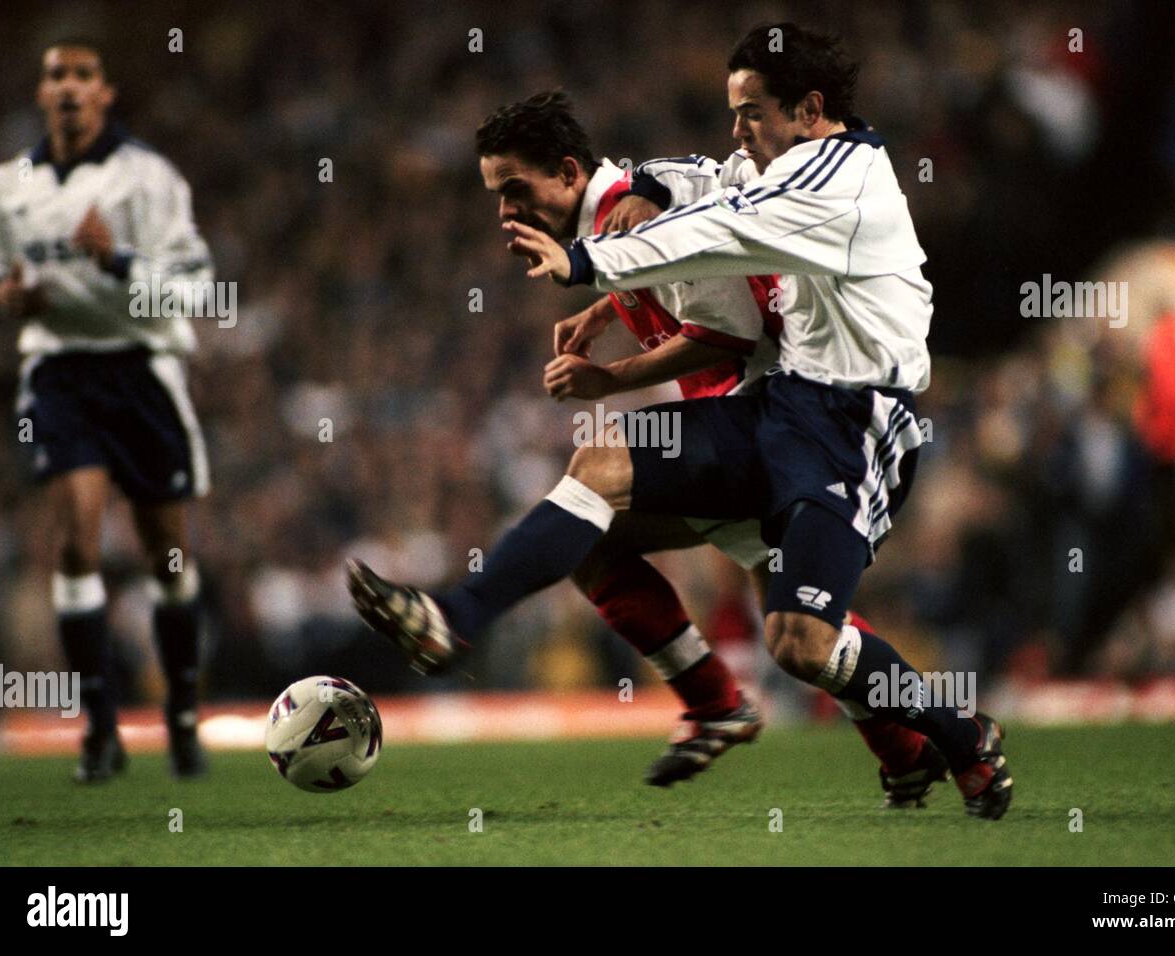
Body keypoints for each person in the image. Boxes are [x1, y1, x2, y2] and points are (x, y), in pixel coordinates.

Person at [351, 24, 1009, 818]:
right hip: (775, 410)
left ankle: (953, 735)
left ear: (809, 108)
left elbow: (724, 235)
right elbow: (706, 177)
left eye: (751, 112)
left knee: (801, 639)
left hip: (854, 425)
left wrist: (590, 270)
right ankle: (456, 618)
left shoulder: (841, 179)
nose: (737, 131)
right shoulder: (781, 161)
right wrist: (647, 197)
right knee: (599, 490)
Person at [0, 40, 214, 782]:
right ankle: (101, 731)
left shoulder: (149, 180)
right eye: (56, 76)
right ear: (43, 93)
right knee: (76, 541)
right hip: (59, 373)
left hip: (140, 369)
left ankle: (180, 714)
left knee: (166, 559)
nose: (69, 88)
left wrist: (119, 264)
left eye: (82, 76)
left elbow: (198, 293)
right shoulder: (4, 187)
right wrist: (0, 296)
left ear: (105, 93)